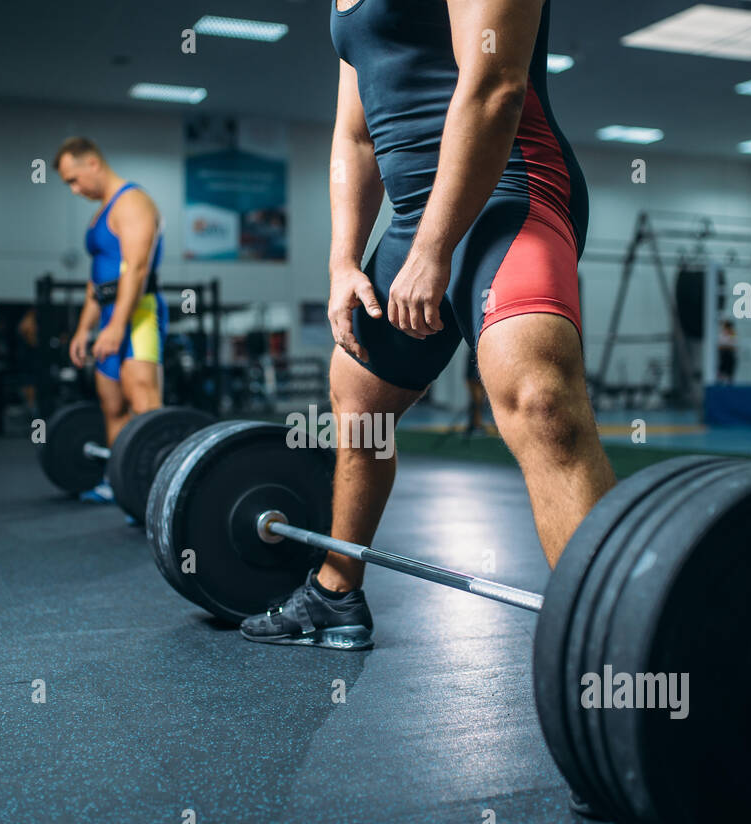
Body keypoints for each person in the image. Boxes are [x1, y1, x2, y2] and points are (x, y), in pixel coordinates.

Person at [240, 0, 615, 652]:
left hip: (509, 192)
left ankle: (625, 636)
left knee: (541, 402)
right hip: (415, 218)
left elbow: (496, 89)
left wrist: (435, 249)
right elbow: (354, 136)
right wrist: (342, 261)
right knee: (358, 403)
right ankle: (335, 592)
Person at [55, 136, 167, 503]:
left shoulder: (133, 201)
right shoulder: (100, 212)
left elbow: (136, 268)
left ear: (93, 164)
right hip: (108, 314)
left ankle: (159, 489)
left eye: (74, 179)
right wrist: (84, 328)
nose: (74, 189)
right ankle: (120, 482)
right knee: (112, 403)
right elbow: (97, 280)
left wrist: (118, 325)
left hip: (138, 315)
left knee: (143, 402)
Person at [717, 320, 738, 384]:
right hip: (724, 355)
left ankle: (729, 383)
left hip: (730, 354)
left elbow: (734, 345)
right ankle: (720, 382)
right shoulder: (722, 334)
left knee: (730, 372)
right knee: (722, 370)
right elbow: (721, 346)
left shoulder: (733, 334)